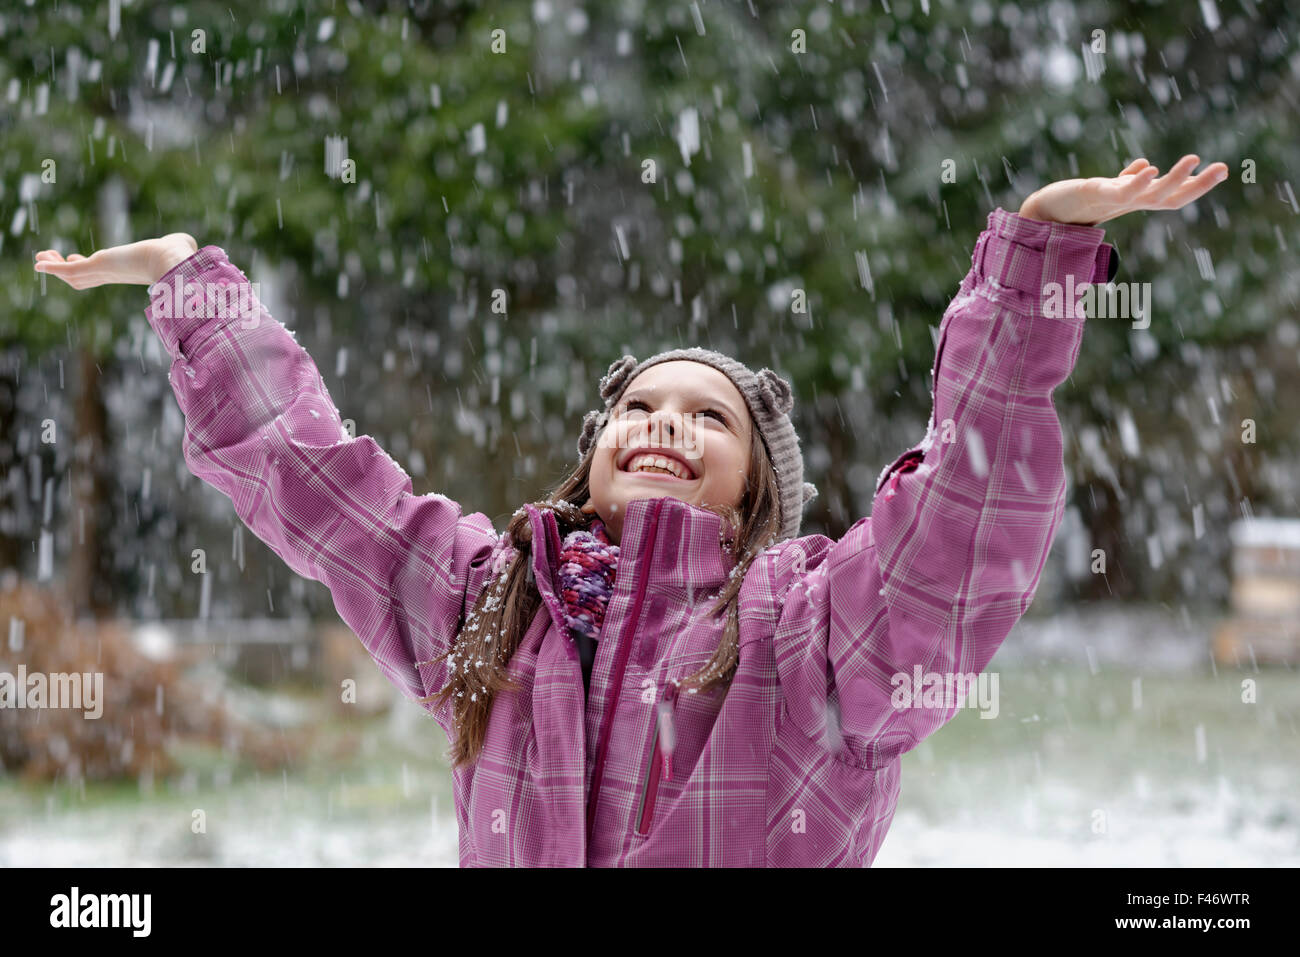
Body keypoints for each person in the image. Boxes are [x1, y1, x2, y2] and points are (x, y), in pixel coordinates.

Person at [34, 155, 1227, 866]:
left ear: (759, 484)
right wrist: (193, 290)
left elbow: (958, 530)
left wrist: (1029, 265)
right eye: (640, 405)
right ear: (596, 449)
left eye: (709, 418)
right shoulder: (488, 604)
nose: (664, 424)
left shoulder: (809, 630)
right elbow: (318, 480)